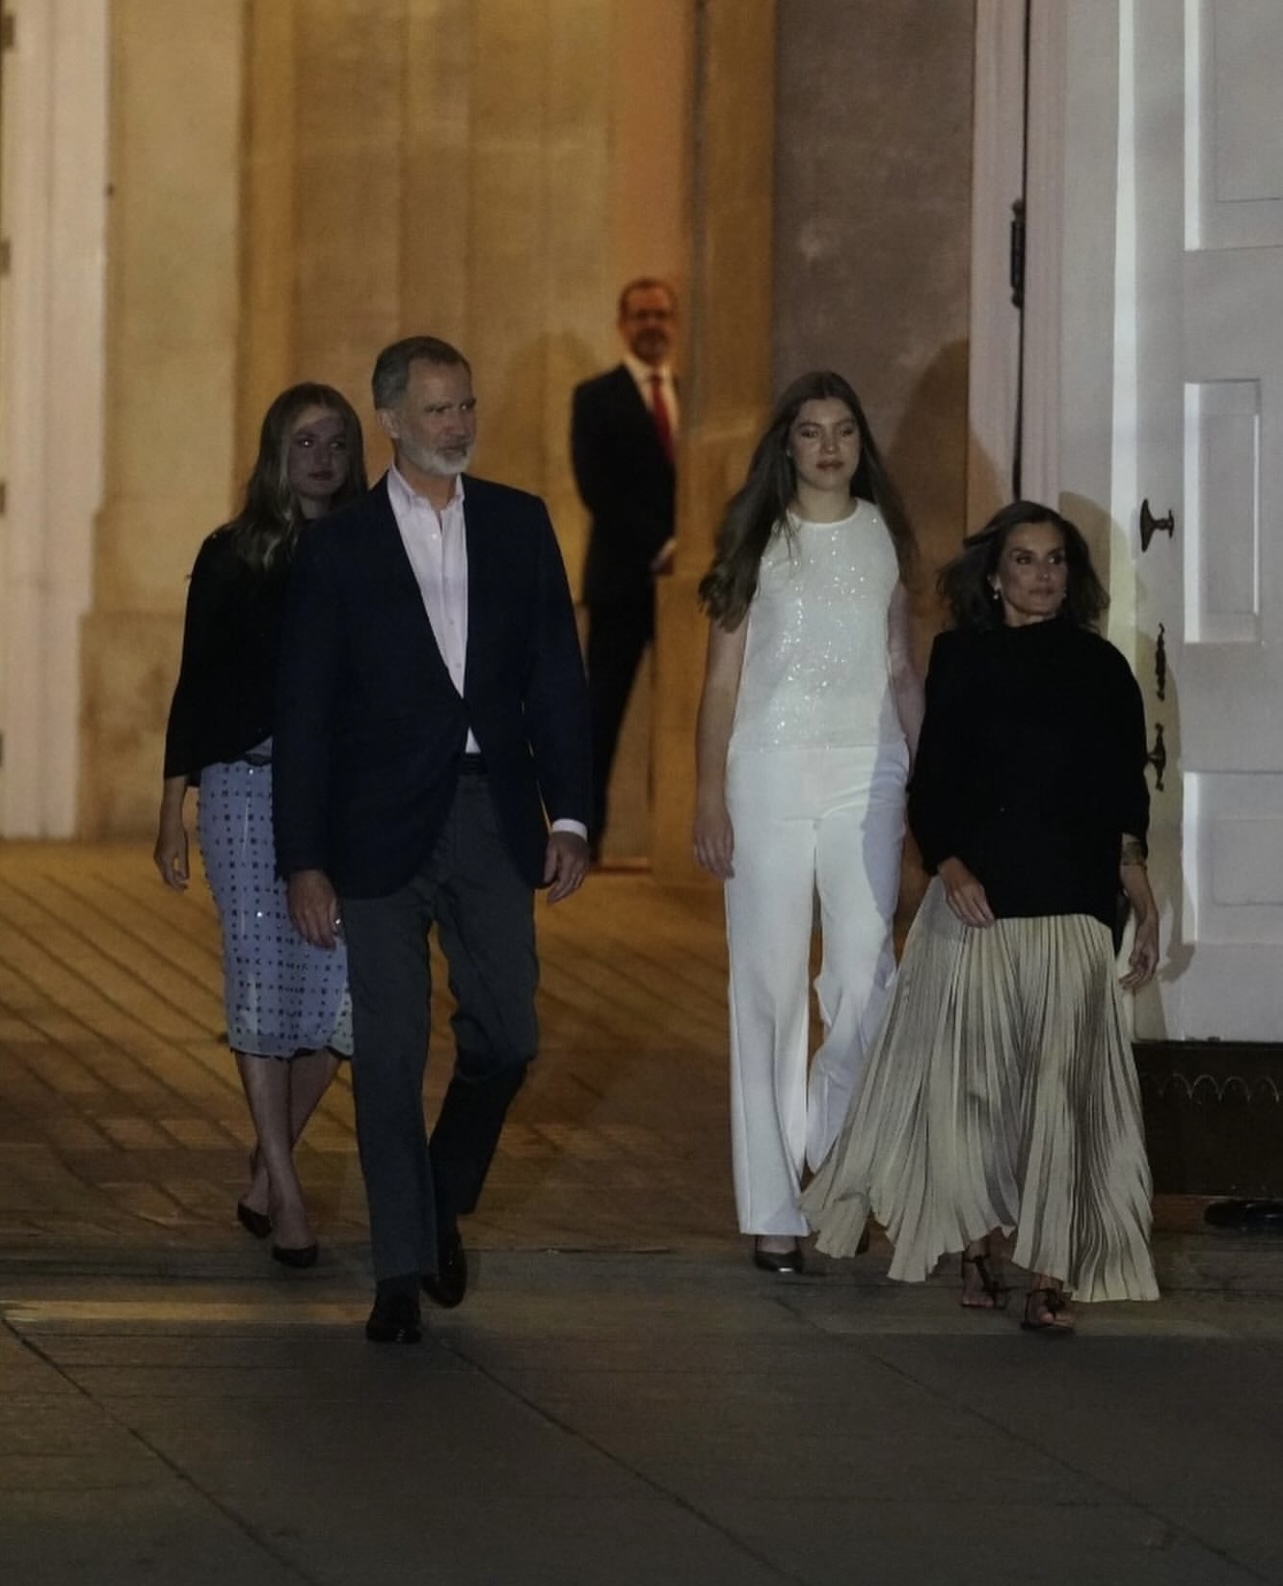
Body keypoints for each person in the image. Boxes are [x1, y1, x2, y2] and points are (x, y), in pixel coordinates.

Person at [274, 335, 592, 1345]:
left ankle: (439, 1191)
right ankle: (398, 1272)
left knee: (509, 1032)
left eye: (465, 406)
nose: (458, 424)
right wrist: (302, 859)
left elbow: (557, 676)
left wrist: (572, 814)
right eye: (438, 409)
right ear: (391, 420)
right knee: (390, 1051)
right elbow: (306, 713)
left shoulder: (518, 522)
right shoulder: (339, 548)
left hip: (491, 814)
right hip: (374, 831)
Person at [802, 501, 1161, 1333]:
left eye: (1055, 560)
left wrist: (1140, 897)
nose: (1042, 574)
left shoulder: (1102, 666)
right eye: (1024, 560)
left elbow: (1121, 796)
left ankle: (1050, 1273)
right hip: (977, 904)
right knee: (973, 1089)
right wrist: (950, 864)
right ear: (994, 577)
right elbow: (935, 780)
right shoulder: (961, 657)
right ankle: (974, 1243)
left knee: (1062, 1095)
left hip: (1071, 902)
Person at [692, 370, 922, 1274]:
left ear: (862, 444)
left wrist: (932, 782)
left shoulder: (884, 536)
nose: (829, 447)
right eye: (810, 431)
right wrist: (707, 794)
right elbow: (720, 683)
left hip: (869, 771)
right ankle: (772, 1207)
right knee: (768, 986)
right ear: (785, 446)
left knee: (867, 976)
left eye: (844, 431)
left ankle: (827, 1145)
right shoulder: (757, 541)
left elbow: (900, 668)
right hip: (765, 773)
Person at [154, 382, 368, 1268]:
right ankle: (286, 1193)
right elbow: (195, 682)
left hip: (340, 797)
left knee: (343, 1000)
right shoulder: (231, 552)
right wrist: (171, 812)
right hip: (242, 786)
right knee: (259, 983)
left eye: (337, 442)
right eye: (304, 441)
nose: (322, 458)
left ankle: (264, 1165)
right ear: (275, 452)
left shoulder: (372, 550)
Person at [571, 278, 679, 856]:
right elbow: (597, 487)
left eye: (661, 314)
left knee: (687, 716)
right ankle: (586, 837)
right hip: (621, 580)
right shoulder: (595, 397)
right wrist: (662, 546)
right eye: (641, 316)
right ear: (623, 324)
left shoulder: (693, 396)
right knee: (601, 715)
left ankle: (678, 836)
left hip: (690, 589)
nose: (652, 325)